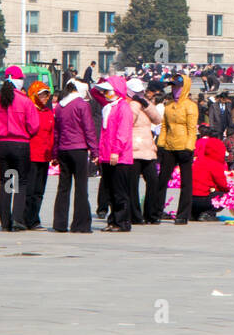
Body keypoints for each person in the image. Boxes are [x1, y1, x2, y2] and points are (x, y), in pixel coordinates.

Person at [0, 66, 39, 232]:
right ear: (19, 80)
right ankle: (18, 219)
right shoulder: (25, 101)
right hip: (20, 145)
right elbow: (34, 126)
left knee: (7, 183)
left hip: (3, 145)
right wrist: (25, 132)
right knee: (21, 183)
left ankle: (5, 221)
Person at [51, 79, 99, 232]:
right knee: (81, 187)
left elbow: (56, 132)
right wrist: (95, 151)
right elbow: (89, 129)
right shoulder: (82, 105)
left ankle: (59, 223)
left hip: (64, 149)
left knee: (63, 187)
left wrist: (55, 153)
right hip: (78, 149)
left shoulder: (59, 106)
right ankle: (80, 224)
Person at [154, 73, 198, 225]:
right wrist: (161, 144)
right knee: (162, 180)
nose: (174, 89)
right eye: (173, 86)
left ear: (184, 87)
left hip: (184, 146)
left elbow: (192, 129)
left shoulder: (191, 106)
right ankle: (157, 210)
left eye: (177, 86)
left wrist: (189, 147)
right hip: (169, 146)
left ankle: (183, 214)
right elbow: (165, 127)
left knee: (186, 182)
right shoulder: (168, 106)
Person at [98, 75, 135, 232]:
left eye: (109, 91)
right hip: (107, 155)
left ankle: (122, 221)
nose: (106, 94)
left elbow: (123, 133)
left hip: (120, 157)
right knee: (110, 191)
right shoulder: (108, 107)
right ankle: (113, 220)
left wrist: (116, 151)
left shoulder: (123, 107)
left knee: (120, 191)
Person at [126, 78, 162, 224]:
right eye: (137, 92)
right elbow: (129, 121)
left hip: (147, 148)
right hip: (134, 148)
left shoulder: (144, 104)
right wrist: (135, 104)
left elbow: (157, 119)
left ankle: (151, 214)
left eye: (142, 92)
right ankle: (135, 215)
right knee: (132, 184)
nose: (141, 94)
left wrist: (146, 105)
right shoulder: (129, 105)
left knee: (153, 181)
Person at [23, 82, 55, 230]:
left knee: (39, 191)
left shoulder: (48, 112)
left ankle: (34, 219)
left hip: (45, 156)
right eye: (41, 94)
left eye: (46, 94)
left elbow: (52, 134)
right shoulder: (29, 111)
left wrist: (54, 152)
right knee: (29, 190)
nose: (44, 97)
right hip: (31, 155)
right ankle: (25, 218)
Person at [191, 136, 229, 220]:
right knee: (226, 196)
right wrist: (232, 190)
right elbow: (223, 185)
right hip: (203, 199)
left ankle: (194, 213)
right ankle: (208, 214)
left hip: (190, 199)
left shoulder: (198, 161)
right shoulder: (215, 163)